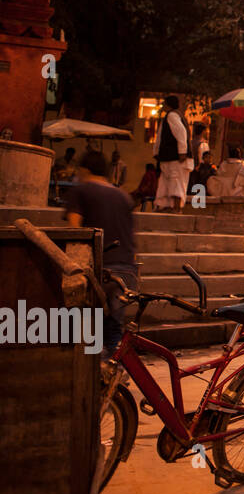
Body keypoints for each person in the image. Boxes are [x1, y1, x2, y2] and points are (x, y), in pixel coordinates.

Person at [64, 150, 136, 357]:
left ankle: (94, 378)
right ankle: (113, 372)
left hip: (100, 268)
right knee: (113, 327)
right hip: (125, 270)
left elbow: (75, 229)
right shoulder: (123, 196)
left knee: (89, 328)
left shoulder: (82, 191)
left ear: (85, 169)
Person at [151, 95, 189, 212]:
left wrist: (182, 152)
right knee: (166, 183)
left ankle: (176, 208)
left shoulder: (173, 116)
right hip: (168, 157)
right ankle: (165, 206)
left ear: (168, 105)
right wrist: (156, 152)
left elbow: (181, 133)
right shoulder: (170, 116)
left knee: (176, 182)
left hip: (176, 158)